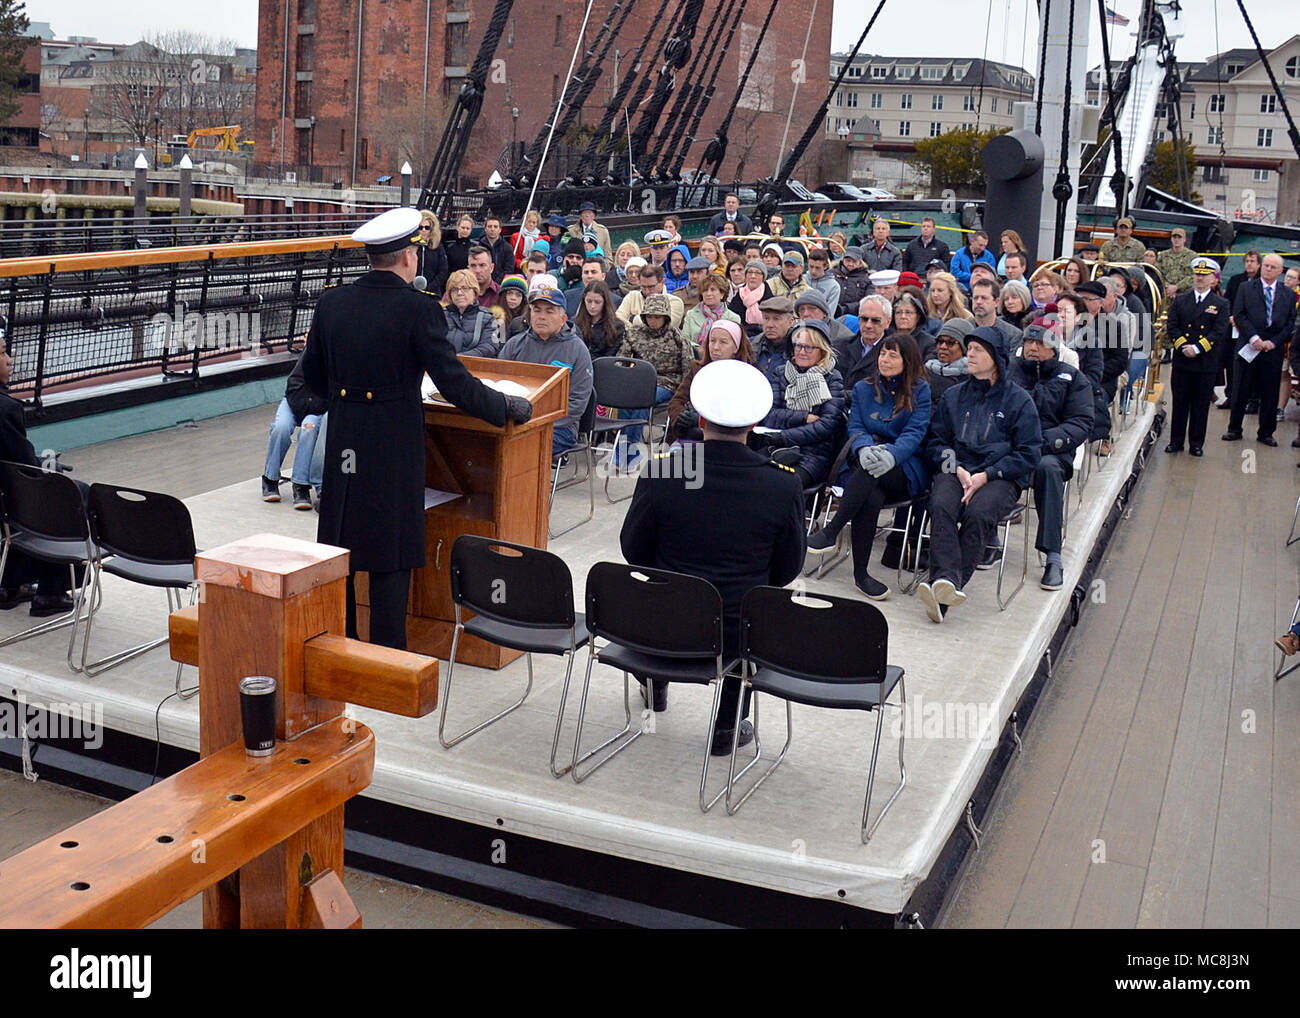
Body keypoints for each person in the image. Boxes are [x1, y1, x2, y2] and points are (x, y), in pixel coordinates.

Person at [300, 207, 532, 649]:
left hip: (346, 442)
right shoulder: (418, 309)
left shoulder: (332, 302)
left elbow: (313, 378)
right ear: (409, 257)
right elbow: (455, 384)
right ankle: (389, 661)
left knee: (341, 554)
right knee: (389, 556)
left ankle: (341, 652)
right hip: (392, 448)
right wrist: (504, 405)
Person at [619, 359, 806, 753]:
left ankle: (655, 684)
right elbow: (788, 567)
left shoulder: (663, 472)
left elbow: (634, 549)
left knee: (665, 591)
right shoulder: (782, 484)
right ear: (754, 426)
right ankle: (726, 729)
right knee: (751, 612)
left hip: (658, 624)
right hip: (735, 636)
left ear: (700, 419)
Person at [918, 325, 1041, 623]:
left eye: (977, 350)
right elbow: (936, 441)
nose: (969, 354)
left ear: (995, 358)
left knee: (979, 513)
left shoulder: (1019, 400)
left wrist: (988, 474)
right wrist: (957, 469)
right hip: (956, 468)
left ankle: (948, 586)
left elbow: (1029, 452)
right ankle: (947, 582)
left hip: (1000, 476)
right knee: (941, 504)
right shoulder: (953, 396)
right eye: (969, 348)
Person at [805, 332, 931, 600]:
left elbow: (915, 432)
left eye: (892, 355)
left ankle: (832, 530)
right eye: (883, 353)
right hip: (867, 460)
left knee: (870, 475)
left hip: (903, 466)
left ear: (907, 361)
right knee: (870, 491)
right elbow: (856, 425)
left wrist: (892, 454)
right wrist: (862, 448)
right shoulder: (864, 388)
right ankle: (861, 575)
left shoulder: (921, 390)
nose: (884, 359)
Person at [0, 333, 81, 616]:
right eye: (2, 354)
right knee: (69, 494)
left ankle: (9, 584)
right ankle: (51, 591)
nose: (10, 360)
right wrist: (50, 467)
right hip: (10, 499)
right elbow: (27, 470)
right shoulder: (6, 409)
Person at [1009, 322, 1094, 590]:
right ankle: (988, 539)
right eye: (1029, 342)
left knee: (1048, 469)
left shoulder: (1073, 378)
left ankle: (1053, 556)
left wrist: (1041, 443)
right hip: (1010, 448)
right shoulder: (1009, 373)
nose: (1033, 348)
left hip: (1050, 450)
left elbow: (1080, 422)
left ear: (1054, 347)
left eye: (1041, 343)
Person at [498, 284, 593, 459]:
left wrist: (536, 423)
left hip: (559, 427)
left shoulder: (577, 350)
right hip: (514, 421)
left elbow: (577, 402)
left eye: (549, 311)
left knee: (519, 447)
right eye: (536, 310)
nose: (541, 316)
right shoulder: (514, 345)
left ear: (563, 318)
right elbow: (498, 386)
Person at [758, 319, 845, 492]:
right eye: (798, 346)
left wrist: (785, 436)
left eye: (809, 347)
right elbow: (768, 414)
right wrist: (803, 417)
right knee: (750, 476)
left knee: (783, 484)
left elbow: (826, 425)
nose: (802, 352)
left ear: (822, 351)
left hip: (813, 454)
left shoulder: (832, 378)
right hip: (775, 447)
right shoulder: (781, 373)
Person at [1224, 253, 1297, 446]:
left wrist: (1273, 342)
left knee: (1270, 392)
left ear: (1280, 271)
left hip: (1272, 350)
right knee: (1240, 390)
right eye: (1266, 266)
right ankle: (1234, 428)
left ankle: (1266, 432)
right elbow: (1239, 314)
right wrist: (1254, 338)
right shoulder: (1246, 288)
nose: (1268, 269)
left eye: (1273, 267)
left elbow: (1290, 324)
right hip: (1248, 346)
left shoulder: (1288, 294)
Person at [617, 293, 695, 469]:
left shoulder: (678, 338)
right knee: (625, 399)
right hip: (638, 380)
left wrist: (684, 397)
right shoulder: (634, 334)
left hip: (666, 382)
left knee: (642, 399)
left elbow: (688, 369)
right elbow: (621, 360)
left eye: (657, 317)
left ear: (665, 317)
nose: (653, 321)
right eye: (649, 316)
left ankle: (631, 453)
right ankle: (622, 451)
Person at [1164, 258, 1230, 456]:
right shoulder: (1181, 300)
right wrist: (1183, 345)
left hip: (1205, 362)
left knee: (1200, 406)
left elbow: (1218, 331)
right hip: (1183, 360)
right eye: (1197, 274)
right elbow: (1172, 326)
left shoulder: (1220, 304)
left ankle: (1196, 443)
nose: (1200, 278)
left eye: (1205, 275)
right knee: (1180, 402)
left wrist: (1198, 348)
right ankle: (1176, 441)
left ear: (1213, 279)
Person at [667, 319, 755, 442]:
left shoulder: (747, 375)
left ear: (736, 347)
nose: (715, 347)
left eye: (723, 342)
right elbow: (676, 401)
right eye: (712, 341)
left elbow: (747, 412)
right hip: (691, 434)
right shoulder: (697, 369)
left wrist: (703, 422)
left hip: (730, 440)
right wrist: (682, 418)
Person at [261, 352, 328, 509]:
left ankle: (300, 485)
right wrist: (305, 407)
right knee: (281, 428)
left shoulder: (337, 363)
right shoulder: (309, 356)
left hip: (317, 409)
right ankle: (270, 479)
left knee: (309, 430)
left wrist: (313, 410)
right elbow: (293, 384)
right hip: (294, 403)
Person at [1221, 249, 1262, 408]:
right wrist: (1231, 316)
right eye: (1247, 261)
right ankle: (1230, 395)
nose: (1249, 264)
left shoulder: (1261, 282)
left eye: (1252, 261)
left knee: (1252, 364)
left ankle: (1252, 399)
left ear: (1259, 264)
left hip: (1253, 330)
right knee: (1232, 362)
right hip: (1234, 328)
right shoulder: (1235, 280)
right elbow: (1228, 301)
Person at [837, 294, 891, 396]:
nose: (868, 325)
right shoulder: (839, 347)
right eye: (864, 319)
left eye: (875, 320)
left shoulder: (895, 352)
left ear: (888, 322)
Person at [616, 263, 686, 330]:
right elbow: (618, 321)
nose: (647, 291)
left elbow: (663, 327)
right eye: (643, 286)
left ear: (662, 282)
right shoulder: (632, 296)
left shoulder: (675, 302)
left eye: (651, 287)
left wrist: (633, 319)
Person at [681, 273, 741, 347]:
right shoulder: (691, 314)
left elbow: (734, 345)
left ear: (722, 294)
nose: (708, 294)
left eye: (713, 290)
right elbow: (684, 341)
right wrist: (698, 349)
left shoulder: (733, 318)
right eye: (705, 290)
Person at [573, 279, 625, 359]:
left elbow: (611, 356)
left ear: (605, 302)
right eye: (589, 301)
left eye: (597, 302)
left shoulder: (616, 327)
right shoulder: (575, 323)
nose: (592, 306)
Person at [924, 318, 973, 400]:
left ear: (964, 348)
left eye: (951, 343)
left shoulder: (973, 377)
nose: (943, 347)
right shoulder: (924, 373)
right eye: (940, 341)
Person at [753, 295, 795, 384]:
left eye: (776, 319)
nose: (770, 325)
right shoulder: (752, 346)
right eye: (766, 318)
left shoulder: (798, 350)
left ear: (791, 322)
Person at [970, 277, 1022, 347]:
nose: (979, 302)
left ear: (996, 302)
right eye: (975, 298)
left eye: (984, 298)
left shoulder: (1012, 334)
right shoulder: (962, 329)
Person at [729, 259, 772, 337]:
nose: (753, 276)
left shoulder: (769, 297)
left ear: (763, 277)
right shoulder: (738, 296)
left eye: (757, 273)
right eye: (750, 272)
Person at [415, 209, 449, 295]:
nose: (423, 230)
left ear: (431, 229)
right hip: (412, 291)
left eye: (426, 227)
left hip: (432, 291)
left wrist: (430, 287)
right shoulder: (411, 246)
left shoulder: (437, 246)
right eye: (420, 227)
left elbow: (443, 270)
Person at [568, 201, 613, 266]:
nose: (587, 215)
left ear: (594, 216)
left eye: (589, 213)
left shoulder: (603, 231)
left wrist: (602, 270)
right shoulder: (571, 231)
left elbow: (608, 256)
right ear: (580, 216)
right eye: (584, 213)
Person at [834, 246, 873, 316]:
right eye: (848, 260)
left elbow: (867, 301)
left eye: (854, 261)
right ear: (843, 260)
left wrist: (845, 309)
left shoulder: (867, 279)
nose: (850, 264)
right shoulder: (832, 274)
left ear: (860, 262)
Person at [805, 246, 841, 312]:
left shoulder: (834, 287)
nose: (813, 271)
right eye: (811, 266)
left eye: (817, 268)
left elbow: (829, 313)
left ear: (825, 266)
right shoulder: (802, 280)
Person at [481, 214, 515, 282]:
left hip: (500, 284)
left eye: (495, 227)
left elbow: (509, 269)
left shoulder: (507, 247)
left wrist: (498, 281)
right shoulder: (479, 247)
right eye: (489, 226)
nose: (492, 229)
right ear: (485, 229)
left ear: (500, 230)